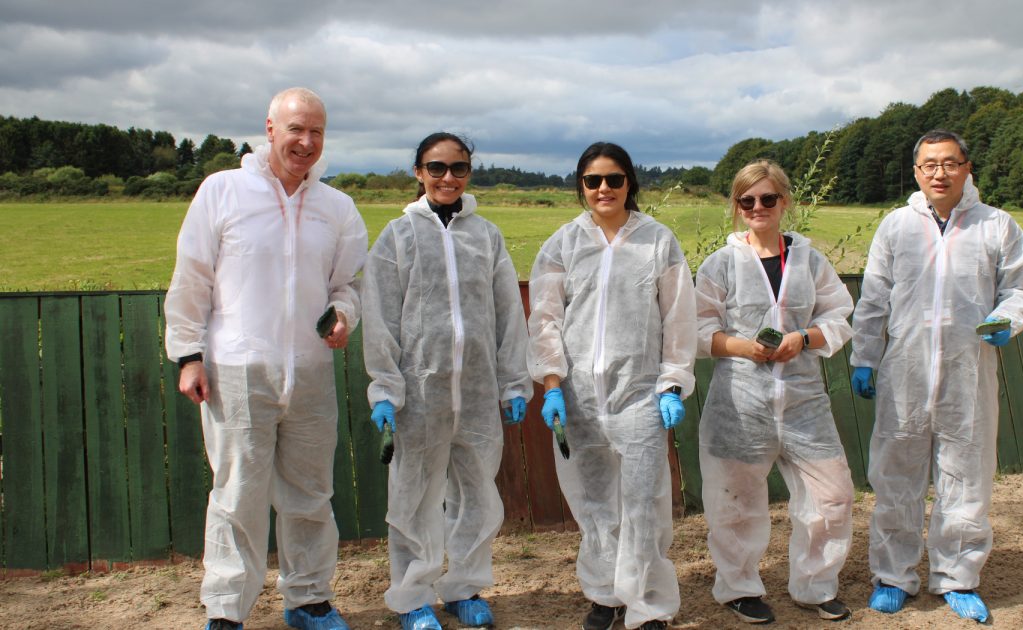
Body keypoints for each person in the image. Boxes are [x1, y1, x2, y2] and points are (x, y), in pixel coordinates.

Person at [164, 87, 367, 630]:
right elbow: (191, 280)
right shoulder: (223, 192)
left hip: (310, 374)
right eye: (296, 129)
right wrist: (188, 355)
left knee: (309, 495)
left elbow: (346, 285)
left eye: (317, 132)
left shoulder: (336, 207)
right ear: (270, 129)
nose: (306, 141)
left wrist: (344, 314)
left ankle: (309, 600)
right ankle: (227, 612)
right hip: (236, 369)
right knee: (238, 497)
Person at [849, 129, 1023, 623]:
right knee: (895, 476)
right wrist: (864, 357)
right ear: (915, 171)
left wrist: (1006, 321)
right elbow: (873, 298)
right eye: (929, 164)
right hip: (904, 372)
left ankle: (957, 577)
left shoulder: (996, 226)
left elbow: (1019, 290)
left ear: (967, 168)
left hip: (967, 371)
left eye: (950, 163)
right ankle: (893, 575)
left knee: (967, 475)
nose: (940, 172)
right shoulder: (896, 227)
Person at [361, 132, 532, 630]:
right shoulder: (397, 237)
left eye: (458, 168)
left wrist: (514, 381)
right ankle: (412, 596)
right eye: (436, 168)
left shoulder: (486, 236)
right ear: (419, 172)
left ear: (469, 173)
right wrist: (386, 389)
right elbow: (380, 319)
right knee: (412, 498)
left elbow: (507, 314)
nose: (448, 178)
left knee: (477, 494)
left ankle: (465, 587)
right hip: (419, 394)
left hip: (477, 395)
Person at [527, 142, 697, 630]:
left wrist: (671, 383)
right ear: (580, 186)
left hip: (640, 394)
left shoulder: (657, 241)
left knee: (646, 504)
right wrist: (553, 383)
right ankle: (605, 595)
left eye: (614, 179)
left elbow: (679, 320)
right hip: (577, 398)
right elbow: (545, 320)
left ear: (630, 184)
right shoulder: (563, 244)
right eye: (593, 180)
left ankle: (648, 605)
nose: (604, 189)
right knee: (594, 502)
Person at [694, 160, 856, 624]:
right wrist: (746, 347)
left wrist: (803, 339)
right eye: (747, 200)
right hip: (740, 404)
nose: (757, 207)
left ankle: (816, 586)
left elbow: (839, 318)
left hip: (805, 402)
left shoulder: (809, 259)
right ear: (737, 206)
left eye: (767, 198)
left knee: (833, 496)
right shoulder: (720, 264)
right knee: (735, 502)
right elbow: (699, 330)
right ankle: (740, 588)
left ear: (784, 202)